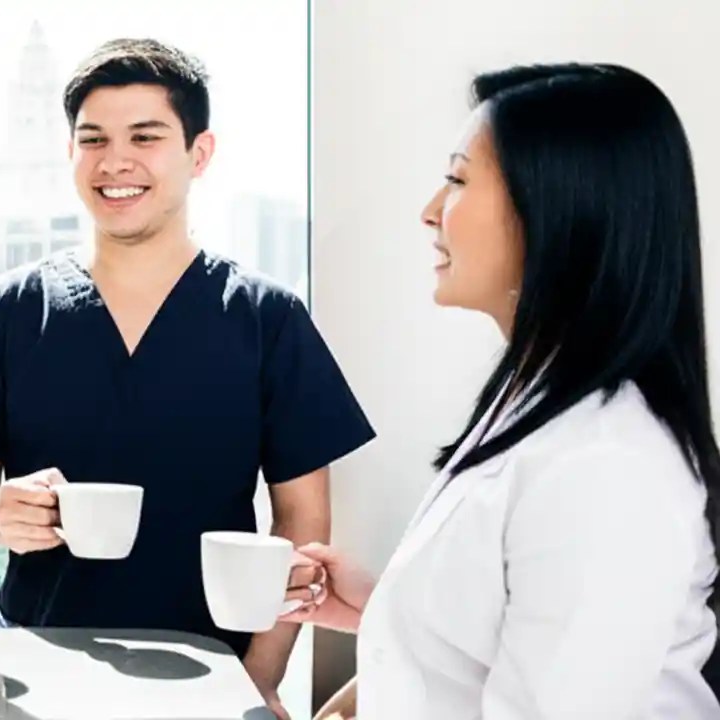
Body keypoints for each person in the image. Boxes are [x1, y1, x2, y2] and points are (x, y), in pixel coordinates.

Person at [0, 38, 374, 718]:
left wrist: (258, 677)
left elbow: (302, 520)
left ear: (199, 153)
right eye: (92, 139)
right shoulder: (7, 311)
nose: (115, 161)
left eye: (145, 136)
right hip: (26, 667)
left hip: (205, 669)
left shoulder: (266, 318)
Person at [284, 63, 720, 719]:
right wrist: (388, 613)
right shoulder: (537, 403)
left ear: (554, 210)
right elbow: (519, 635)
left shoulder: (608, 464)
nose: (431, 210)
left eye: (458, 179)